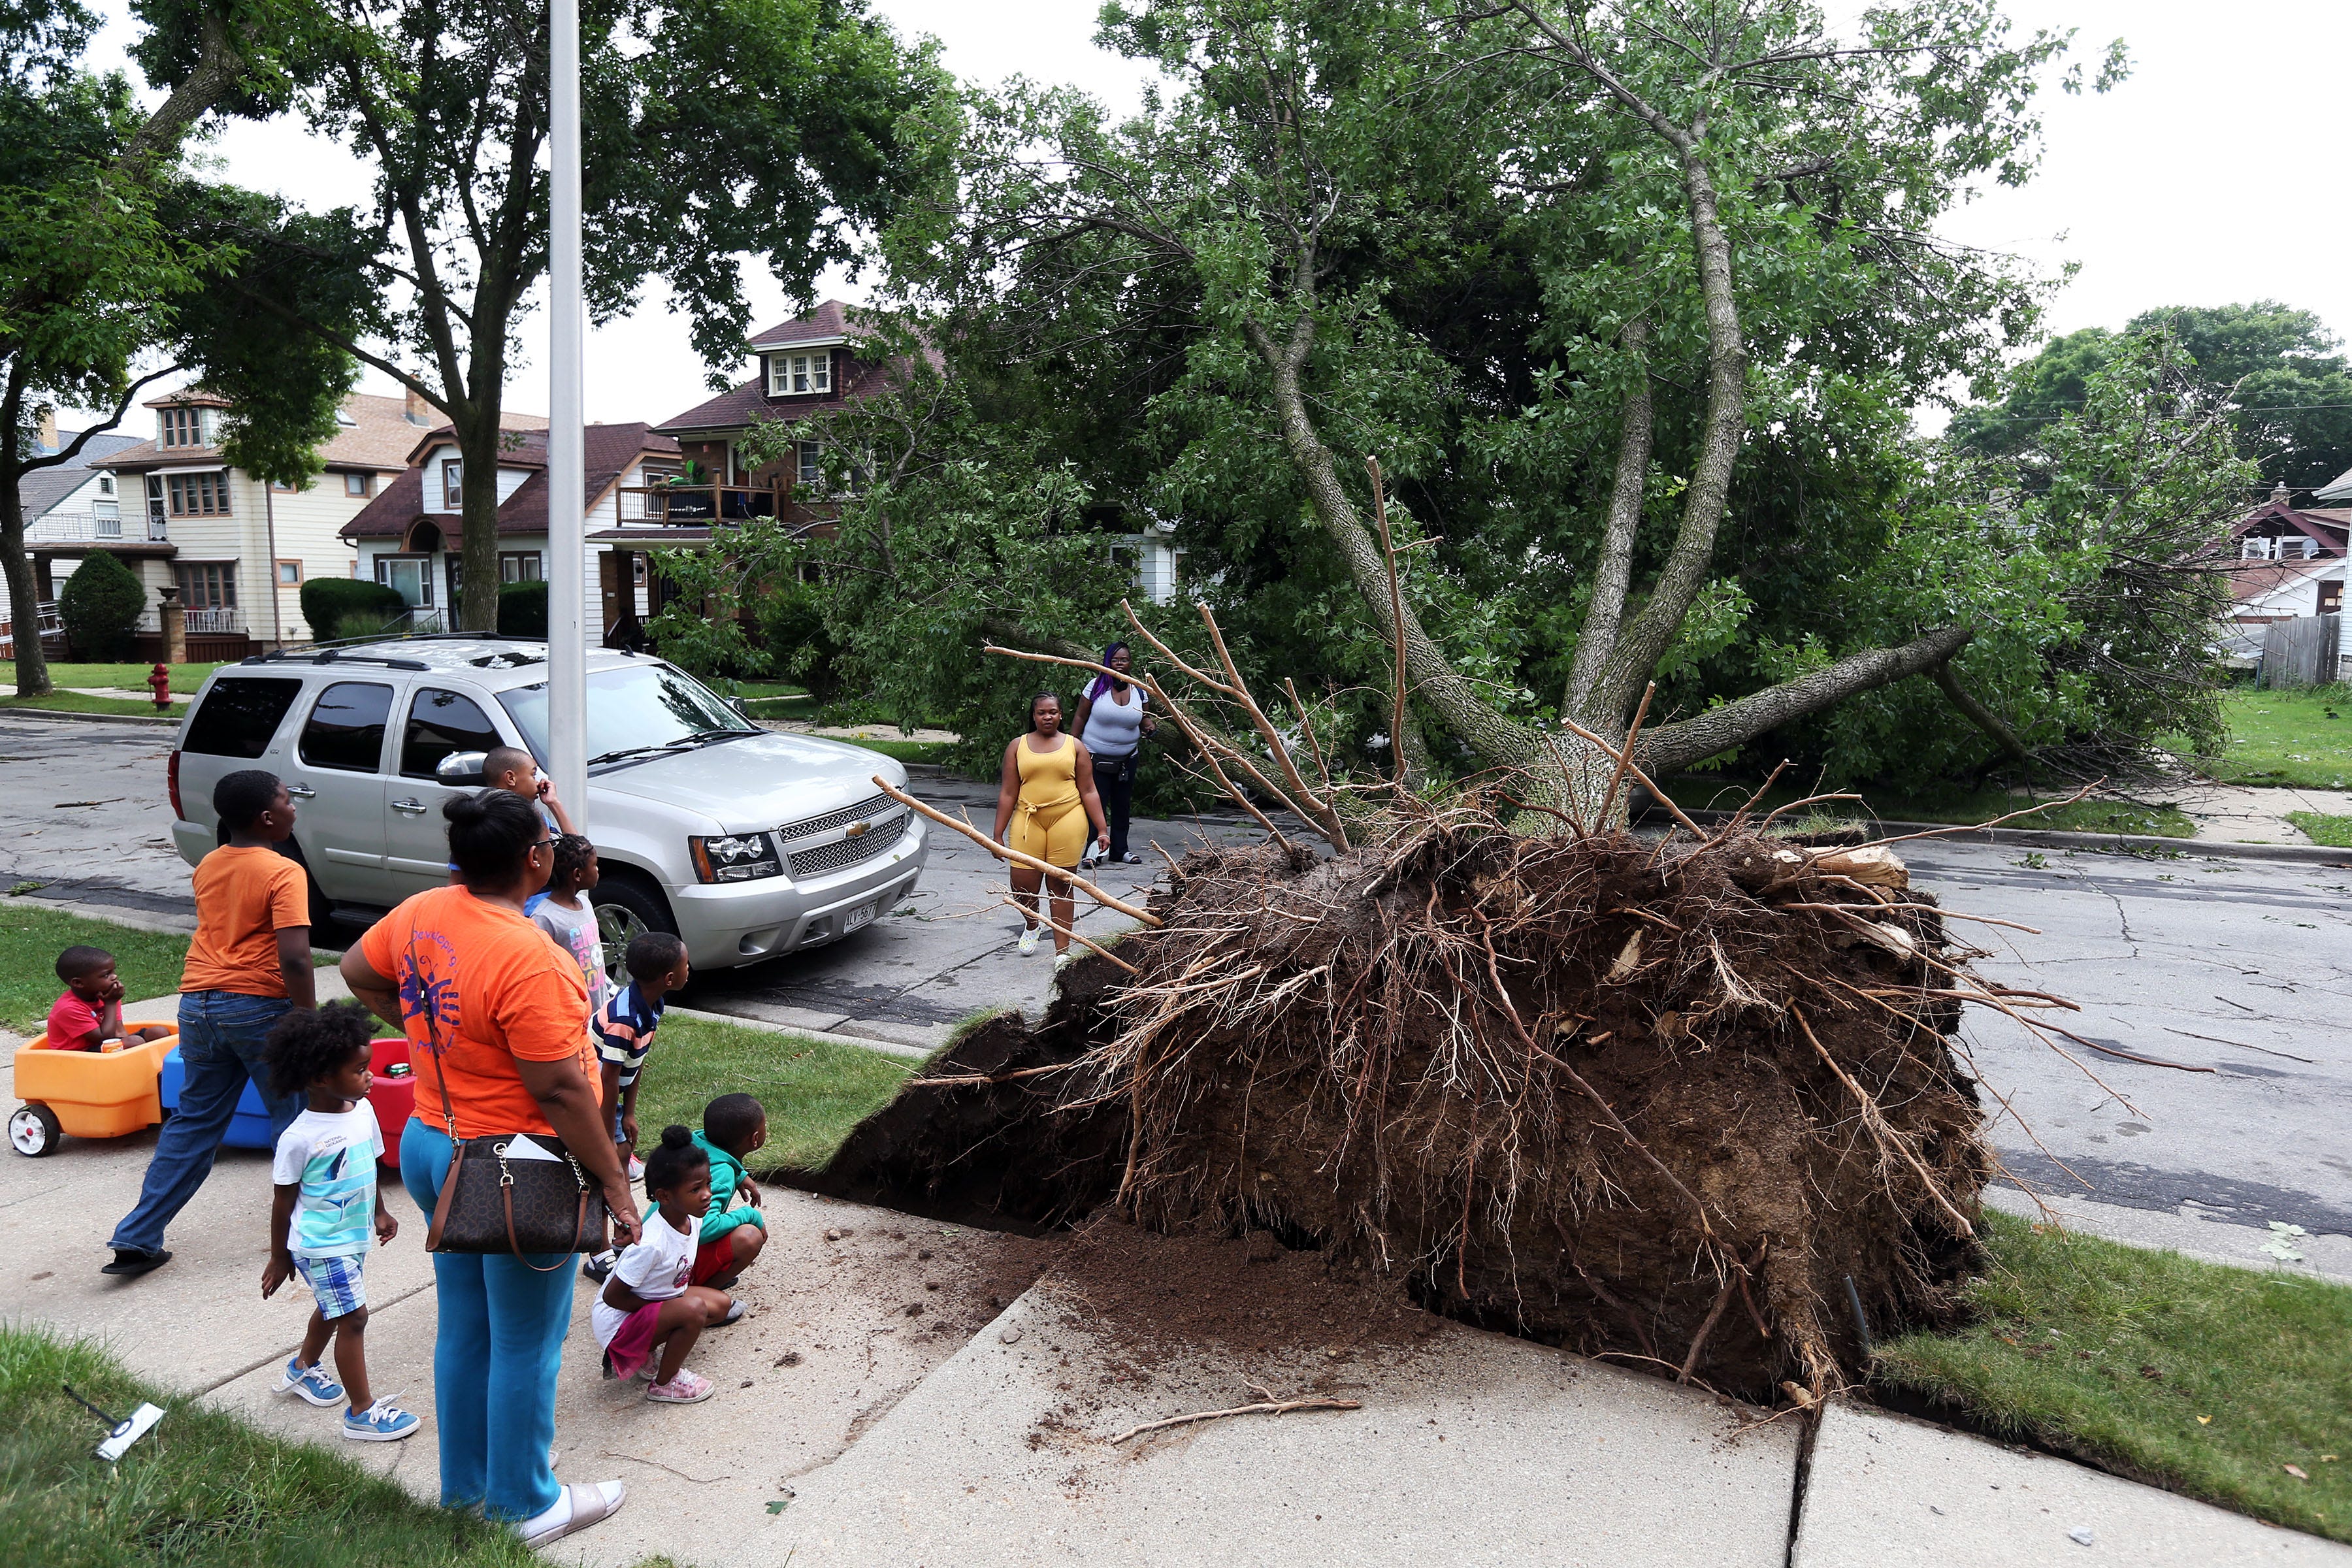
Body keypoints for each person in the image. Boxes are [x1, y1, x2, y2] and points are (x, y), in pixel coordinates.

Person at [340, 789, 637, 1548]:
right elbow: (562, 1088)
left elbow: (357, 969)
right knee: (527, 1342)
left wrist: (432, 1031)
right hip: (513, 1168)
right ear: (536, 858)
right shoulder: (530, 955)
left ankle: (466, 1489)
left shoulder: (422, 912)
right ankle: (526, 1503)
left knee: (466, 1328)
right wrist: (611, 1181)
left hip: (433, 1149)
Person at [106, 771, 315, 1277]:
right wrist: (307, 1020)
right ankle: (310, 1231)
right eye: (289, 802)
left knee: (194, 1121)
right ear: (268, 817)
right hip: (259, 1006)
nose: (294, 809)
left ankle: (137, 1235)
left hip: (198, 1002)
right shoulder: (283, 871)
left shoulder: (209, 864)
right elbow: (296, 959)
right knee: (297, 1119)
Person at [260, 1001, 418, 1443]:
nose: (369, 1076)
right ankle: (361, 1413)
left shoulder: (361, 1111)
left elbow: (365, 1169)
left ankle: (302, 1369)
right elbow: (282, 1202)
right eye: (358, 1070)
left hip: (350, 1238)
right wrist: (279, 1256)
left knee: (334, 1311)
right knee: (354, 1318)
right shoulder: (299, 1138)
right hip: (320, 1242)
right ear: (320, 1079)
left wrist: (380, 1212)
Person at [592, 1125, 734, 1404]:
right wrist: (661, 1313)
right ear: (665, 1197)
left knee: (720, 1306)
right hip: (616, 1324)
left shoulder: (691, 1218)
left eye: (707, 1183)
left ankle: (648, 1347)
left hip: (654, 1301)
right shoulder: (652, 1242)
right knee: (693, 1310)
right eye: (696, 1189)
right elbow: (612, 1296)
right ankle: (665, 1383)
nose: (707, 1194)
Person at [990, 691, 1109, 966]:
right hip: (1028, 817)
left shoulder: (1075, 746)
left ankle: (1062, 951)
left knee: (1061, 884)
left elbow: (1089, 790)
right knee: (1022, 883)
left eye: (1053, 712)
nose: (1047, 717)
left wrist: (1102, 829)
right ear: (1033, 716)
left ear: (1061, 714)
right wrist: (997, 835)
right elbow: (1009, 792)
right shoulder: (1017, 746)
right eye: (1042, 712)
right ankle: (1033, 924)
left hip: (1067, 817)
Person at [584, 931, 690, 1230]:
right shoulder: (625, 1021)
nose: (688, 970)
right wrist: (607, 1136)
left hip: (611, 1095)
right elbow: (607, 1080)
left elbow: (637, 1060)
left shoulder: (652, 1005)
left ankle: (621, 1231)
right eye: (686, 965)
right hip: (593, 1094)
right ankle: (604, 1243)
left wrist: (629, 1113)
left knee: (621, 1155)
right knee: (611, 1165)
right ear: (669, 978)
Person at [1071, 642, 1157, 866]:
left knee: (1122, 805)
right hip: (1093, 757)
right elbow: (1080, 716)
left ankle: (1121, 851)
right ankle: (1093, 851)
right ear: (1108, 661)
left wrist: (1148, 726)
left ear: (1130, 663)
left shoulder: (1139, 689)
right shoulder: (1096, 685)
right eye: (1115, 660)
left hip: (1127, 759)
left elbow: (1144, 718)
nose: (1119, 664)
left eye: (1124, 660)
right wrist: (1071, 744)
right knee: (1095, 805)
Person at [689, 1093, 768, 1290]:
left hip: (662, 1248)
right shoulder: (722, 1174)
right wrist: (751, 1216)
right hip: (674, 1264)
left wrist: (739, 1174)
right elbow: (704, 1228)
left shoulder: (693, 1146)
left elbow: (714, 1154)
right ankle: (703, 1294)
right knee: (750, 1238)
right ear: (755, 1139)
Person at [527, 834, 609, 1024]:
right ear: (578, 875)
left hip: (598, 1010)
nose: (598, 870)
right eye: (594, 865)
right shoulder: (545, 918)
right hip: (572, 1016)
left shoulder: (586, 904)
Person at [46, 947, 172, 1051]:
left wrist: (130, 1047)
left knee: (159, 1032)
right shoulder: (68, 1008)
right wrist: (111, 1003)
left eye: (113, 971)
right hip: (79, 1056)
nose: (115, 977)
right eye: (106, 975)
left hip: (107, 1045)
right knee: (135, 1043)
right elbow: (104, 1038)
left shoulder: (108, 995)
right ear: (78, 983)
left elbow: (119, 1032)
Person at [485, 744, 576, 836]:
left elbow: (577, 847)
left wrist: (553, 803)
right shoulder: (510, 824)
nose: (538, 783)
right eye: (533, 775)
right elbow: (578, 849)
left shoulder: (534, 815)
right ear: (511, 778)